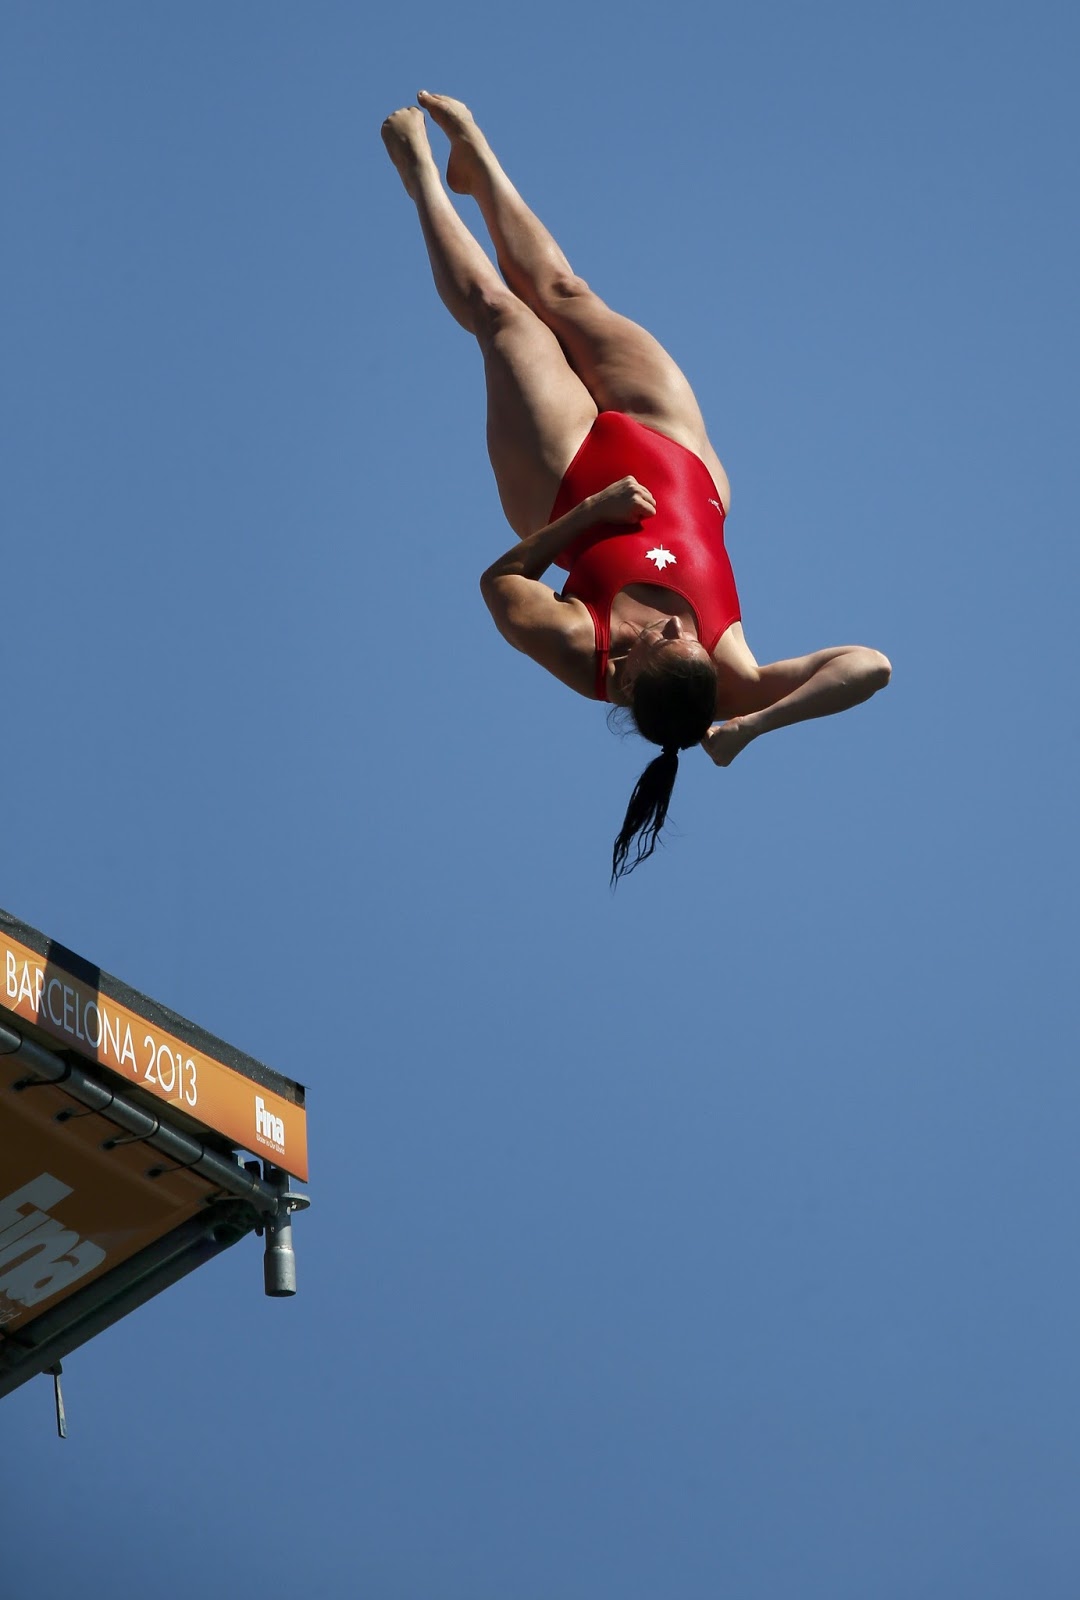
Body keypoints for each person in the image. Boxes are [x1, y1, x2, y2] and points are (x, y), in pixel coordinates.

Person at [382, 93, 891, 882]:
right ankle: (474, 160)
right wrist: (754, 727)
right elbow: (871, 665)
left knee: (504, 319)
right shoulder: (734, 682)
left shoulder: (580, 650)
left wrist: (593, 512)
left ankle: (417, 172)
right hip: (676, 450)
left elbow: (499, 585)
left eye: (657, 643)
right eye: (684, 636)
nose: (671, 629)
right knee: (565, 289)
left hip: (563, 483)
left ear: (624, 679)